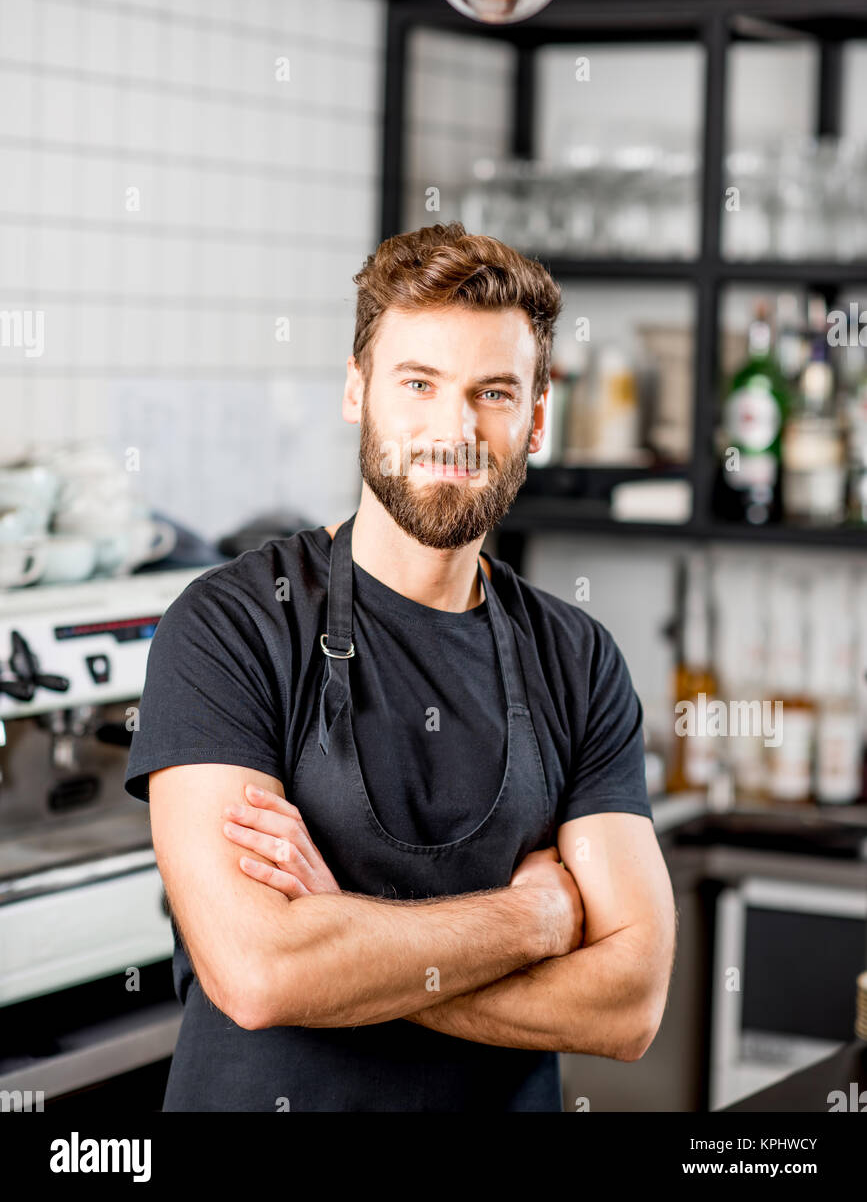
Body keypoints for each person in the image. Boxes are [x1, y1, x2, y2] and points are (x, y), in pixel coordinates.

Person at [125, 221, 676, 1112]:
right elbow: (263, 972)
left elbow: (627, 1004)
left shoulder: (577, 660)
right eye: (417, 383)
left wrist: (348, 949)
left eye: (492, 393)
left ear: (536, 418)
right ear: (357, 391)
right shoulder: (230, 626)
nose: (452, 430)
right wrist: (535, 920)